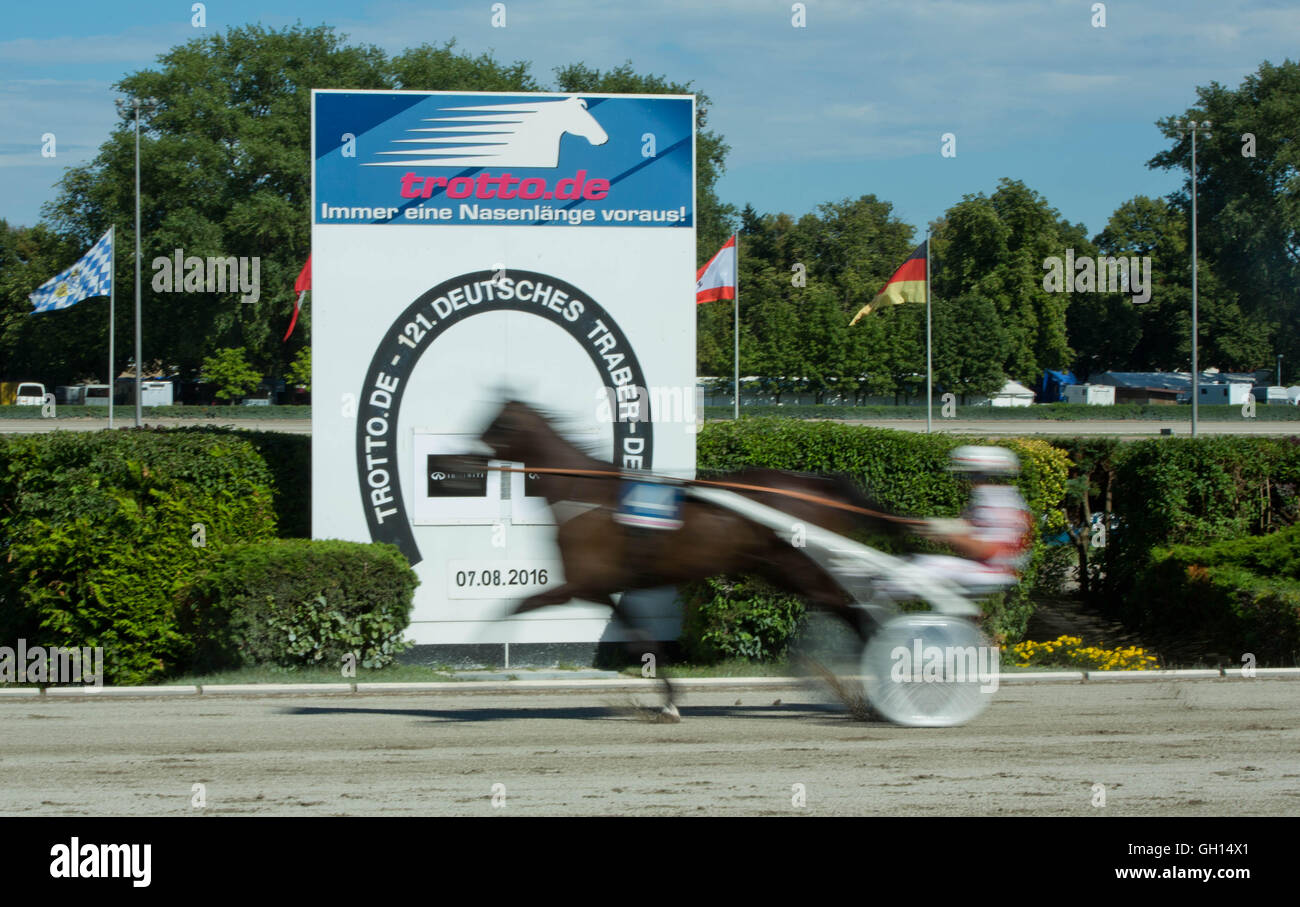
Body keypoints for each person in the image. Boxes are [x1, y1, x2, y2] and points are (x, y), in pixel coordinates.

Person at [907, 445, 1034, 596]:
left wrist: (945, 533)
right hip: (984, 568)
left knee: (911, 571)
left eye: (972, 474)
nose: (964, 481)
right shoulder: (1001, 499)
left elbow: (987, 549)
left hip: (989, 571)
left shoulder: (995, 504)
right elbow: (971, 527)